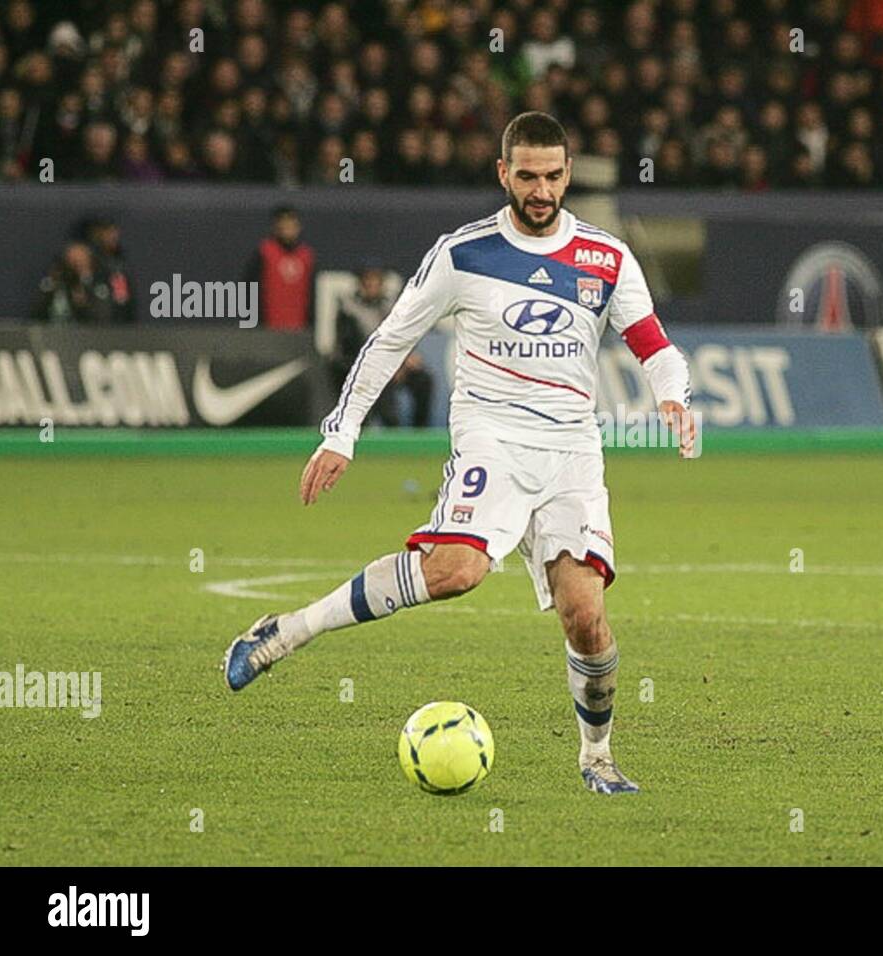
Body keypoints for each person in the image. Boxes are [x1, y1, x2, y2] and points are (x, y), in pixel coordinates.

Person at [222, 112, 695, 795]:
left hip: (571, 450)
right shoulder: (462, 254)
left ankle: (597, 758)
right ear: (503, 172)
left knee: (585, 616)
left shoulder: (606, 256)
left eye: (554, 175)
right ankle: (288, 631)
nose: (541, 189)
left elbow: (652, 342)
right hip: (492, 437)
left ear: (568, 175)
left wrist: (672, 394)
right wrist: (341, 433)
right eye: (527, 175)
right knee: (455, 572)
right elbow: (389, 340)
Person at [334, 265, 433, 428]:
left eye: (376, 280)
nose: (372, 284)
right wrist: (387, 365)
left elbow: (405, 334)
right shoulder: (350, 309)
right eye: (368, 280)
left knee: (424, 379)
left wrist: (404, 359)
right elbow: (349, 347)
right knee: (385, 391)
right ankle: (390, 431)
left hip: (394, 364)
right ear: (361, 282)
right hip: (364, 366)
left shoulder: (392, 305)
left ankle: (419, 432)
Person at [245, 205, 315, 330]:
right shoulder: (264, 252)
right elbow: (249, 288)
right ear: (276, 227)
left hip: (300, 327)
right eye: (284, 225)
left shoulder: (306, 255)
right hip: (268, 326)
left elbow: (312, 293)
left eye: (292, 225)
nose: (288, 230)